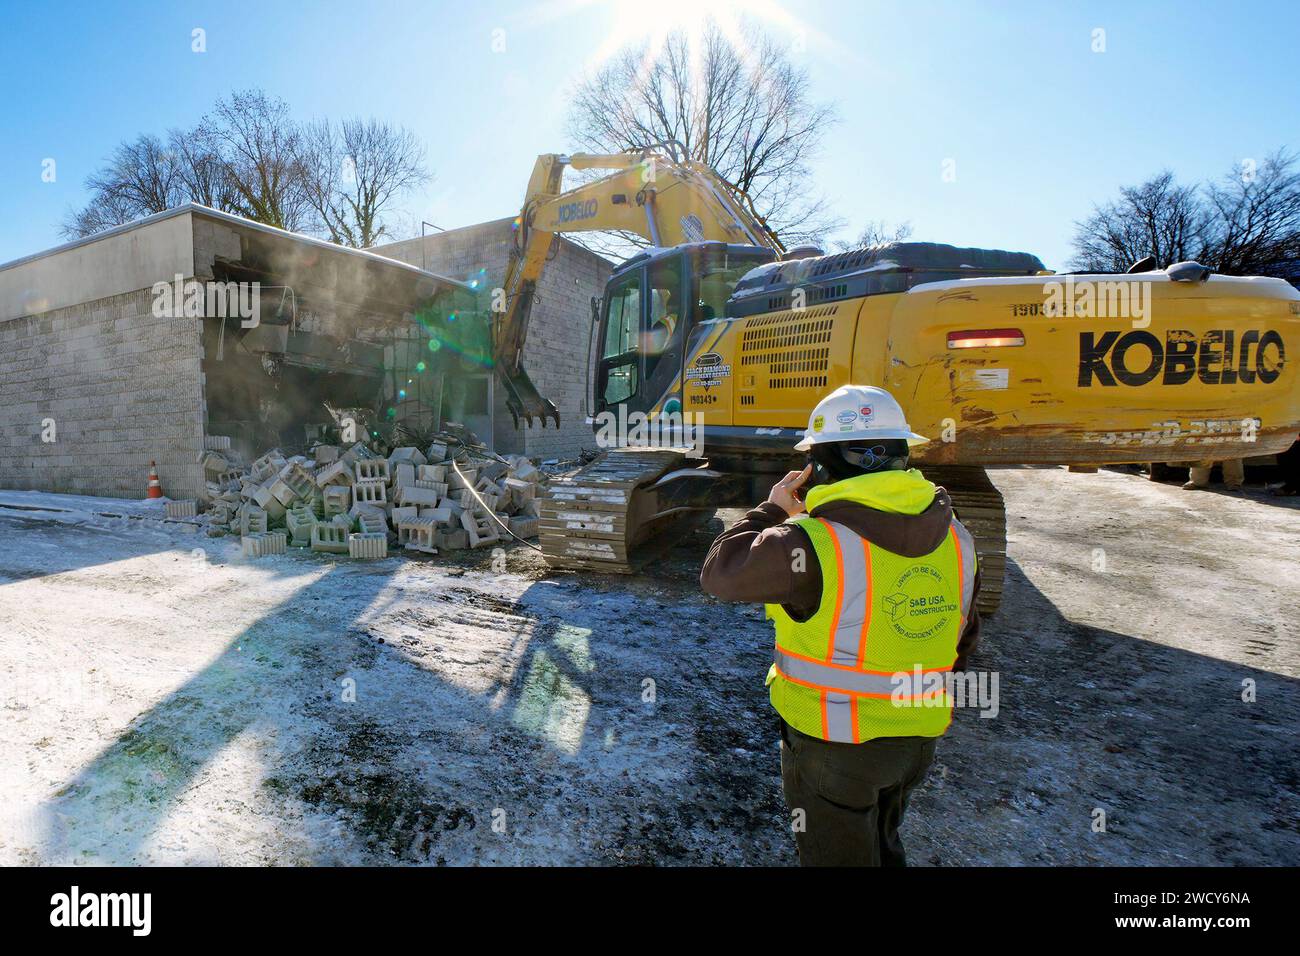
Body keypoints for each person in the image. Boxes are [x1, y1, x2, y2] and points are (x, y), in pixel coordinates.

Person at [700, 384, 980, 866]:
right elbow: (963, 634)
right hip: (917, 740)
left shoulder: (809, 543)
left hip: (835, 744)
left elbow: (720, 574)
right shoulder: (956, 535)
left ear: (820, 465)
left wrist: (772, 509)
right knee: (882, 844)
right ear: (901, 456)